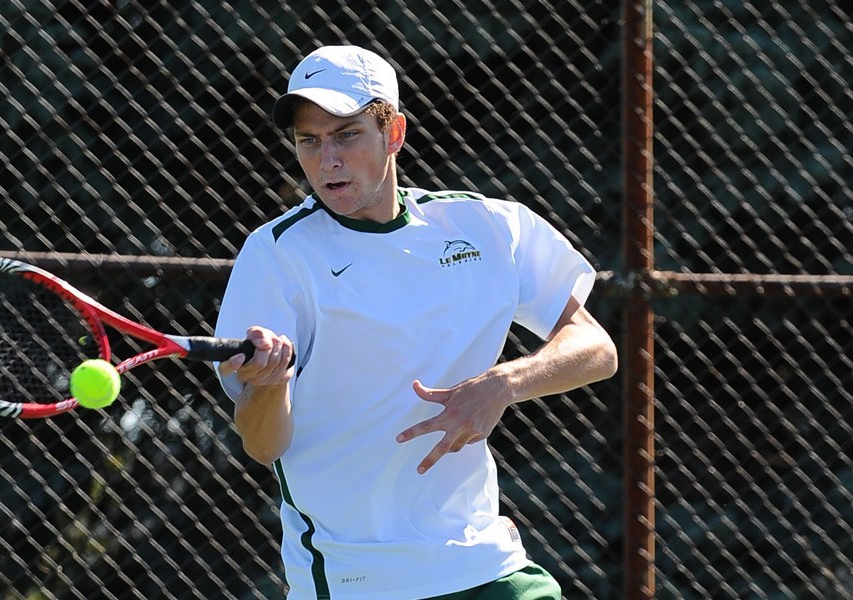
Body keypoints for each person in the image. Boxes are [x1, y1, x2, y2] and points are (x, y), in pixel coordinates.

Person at [215, 44, 618, 599]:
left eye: (347, 134)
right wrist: (271, 384)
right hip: (356, 580)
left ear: (394, 133)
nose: (326, 158)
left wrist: (504, 384)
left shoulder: (488, 227)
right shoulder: (276, 255)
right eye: (309, 140)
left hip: (482, 562)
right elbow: (263, 446)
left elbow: (596, 348)